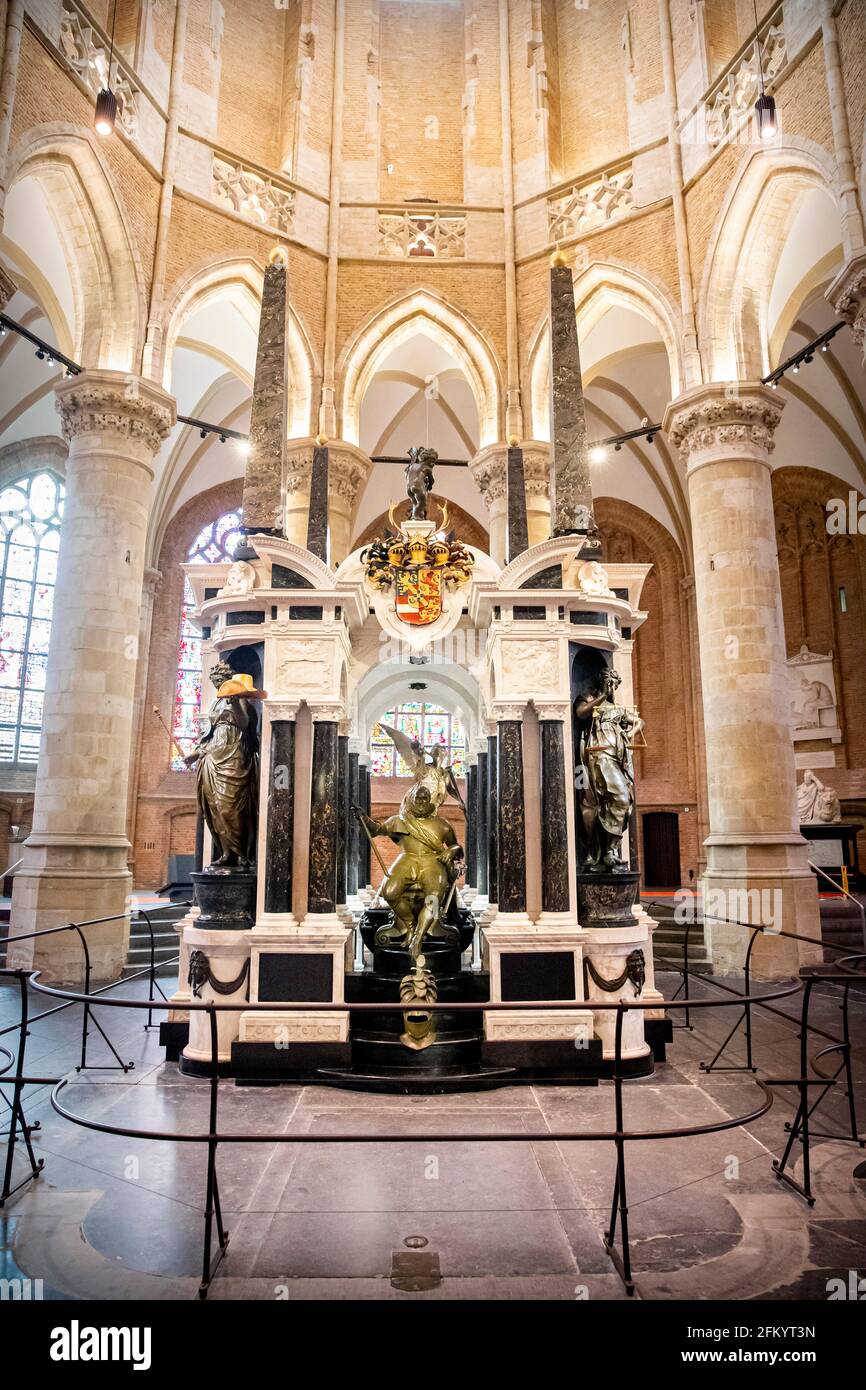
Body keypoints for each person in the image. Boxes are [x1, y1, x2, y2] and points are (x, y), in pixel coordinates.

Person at [354, 784, 463, 952]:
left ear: (430, 801)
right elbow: (377, 830)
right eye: (418, 798)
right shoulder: (400, 820)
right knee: (389, 891)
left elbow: (457, 847)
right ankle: (410, 924)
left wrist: (451, 850)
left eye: (425, 799)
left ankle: (418, 938)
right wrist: (364, 818)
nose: (421, 802)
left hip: (432, 861)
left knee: (433, 898)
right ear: (412, 799)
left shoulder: (443, 825)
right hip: (407, 858)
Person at [185, 667, 265, 868]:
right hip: (213, 756)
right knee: (215, 808)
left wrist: (236, 703)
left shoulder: (241, 700)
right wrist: (194, 754)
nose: (216, 683)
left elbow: (245, 723)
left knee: (231, 808)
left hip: (235, 755)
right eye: (214, 680)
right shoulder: (216, 703)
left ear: (228, 679)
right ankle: (227, 852)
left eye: (220, 679)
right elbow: (208, 734)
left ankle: (241, 855)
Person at [574, 667, 643, 872]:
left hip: (617, 759)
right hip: (599, 756)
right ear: (602, 683)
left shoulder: (617, 709)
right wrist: (602, 695)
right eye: (609, 683)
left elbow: (640, 721)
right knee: (619, 799)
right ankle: (605, 851)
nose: (613, 688)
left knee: (624, 801)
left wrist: (630, 735)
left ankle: (608, 851)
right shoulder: (590, 698)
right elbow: (580, 712)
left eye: (615, 684)